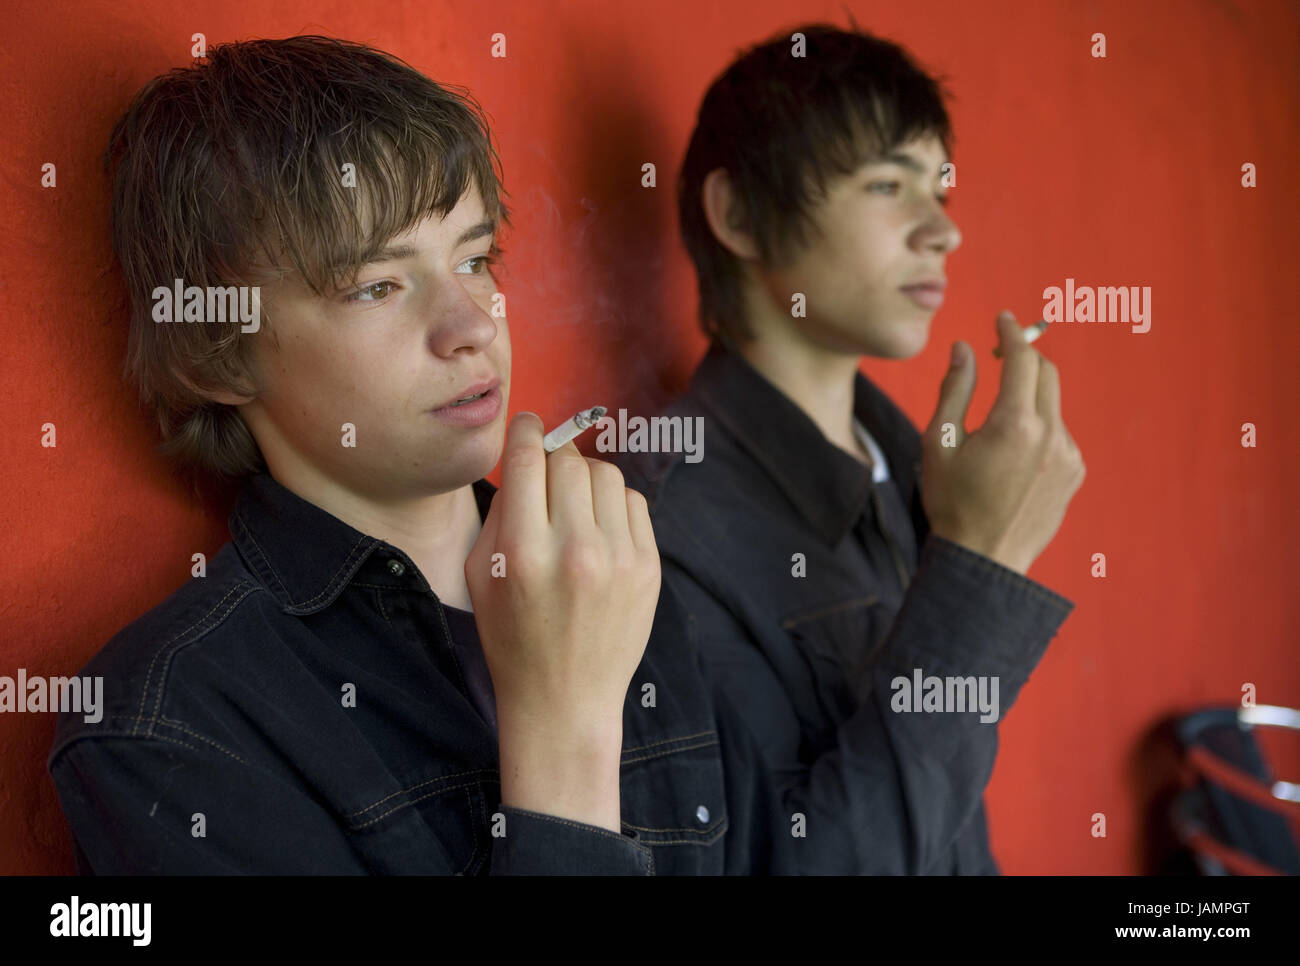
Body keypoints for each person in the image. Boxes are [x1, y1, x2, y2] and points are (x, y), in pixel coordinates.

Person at [47, 35, 783, 875]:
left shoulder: (615, 579)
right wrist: (562, 730)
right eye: (377, 286)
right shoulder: (169, 730)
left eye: (475, 259)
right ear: (217, 353)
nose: (473, 325)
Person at [617, 24, 1087, 873]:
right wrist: (982, 562)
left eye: (939, 192)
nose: (942, 231)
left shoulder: (923, 477)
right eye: (886, 184)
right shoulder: (657, 525)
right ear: (741, 215)